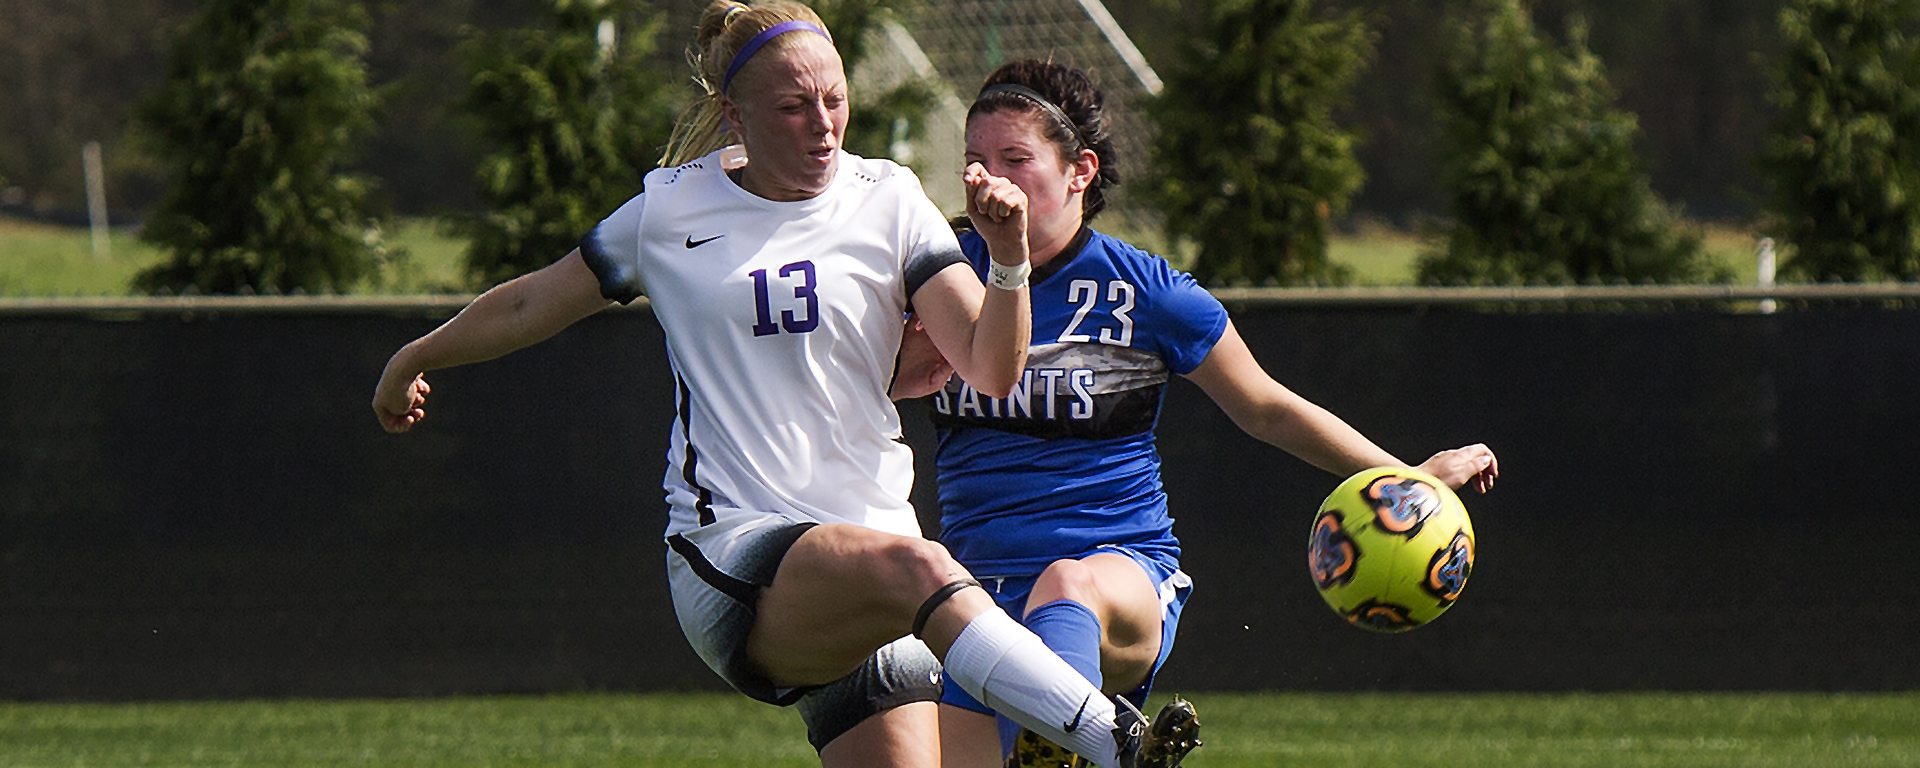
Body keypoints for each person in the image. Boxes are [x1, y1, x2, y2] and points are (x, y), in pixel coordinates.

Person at [372, 5, 1193, 768]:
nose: (825, 123)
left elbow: (993, 366)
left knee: (907, 580)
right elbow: (529, 302)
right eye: (796, 106)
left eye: (835, 98)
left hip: (871, 573)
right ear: (736, 116)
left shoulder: (889, 200)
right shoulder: (670, 210)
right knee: (920, 568)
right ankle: (1113, 739)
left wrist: (1008, 260)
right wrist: (414, 356)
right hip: (736, 554)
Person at [890, 60, 1500, 768]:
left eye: (1015, 159)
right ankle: (1099, 748)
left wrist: (1409, 476)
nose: (988, 179)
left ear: (1079, 171)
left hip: (1115, 576)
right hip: (976, 594)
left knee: (1068, 582)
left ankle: (1079, 740)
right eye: (975, 161)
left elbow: (1267, 408)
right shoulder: (943, 278)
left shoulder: (1147, 291)